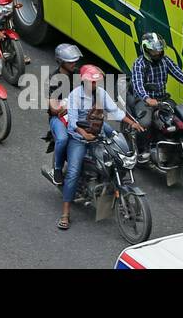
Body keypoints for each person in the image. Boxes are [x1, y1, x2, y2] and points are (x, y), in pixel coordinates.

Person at [59, 64, 145, 230]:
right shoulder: (75, 96)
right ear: (83, 81)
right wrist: (84, 135)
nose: (94, 85)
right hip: (79, 138)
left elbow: (116, 112)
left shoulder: (100, 94)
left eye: (96, 82)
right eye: (92, 82)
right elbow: (72, 123)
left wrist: (133, 124)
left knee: (117, 151)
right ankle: (65, 213)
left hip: (98, 132)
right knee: (73, 172)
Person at [127, 32, 183, 162]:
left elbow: (179, 74)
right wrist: (147, 99)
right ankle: (142, 151)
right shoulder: (139, 64)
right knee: (145, 122)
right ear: (146, 49)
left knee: (179, 118)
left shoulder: (165, 61)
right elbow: (138, 85)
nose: (158, 53)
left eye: (159, 50)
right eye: (154, 51)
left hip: (163, 99)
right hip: (145, 101)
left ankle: (175, 145)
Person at [45, 43, 83, 186]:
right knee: (62, 139)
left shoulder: (79, 74)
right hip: (58, 119)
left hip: (79, 113)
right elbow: (55, 109)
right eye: (70, 61)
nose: (74, 63)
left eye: (75, 60)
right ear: (61, 61)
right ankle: (57, 169)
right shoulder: (53, 80)